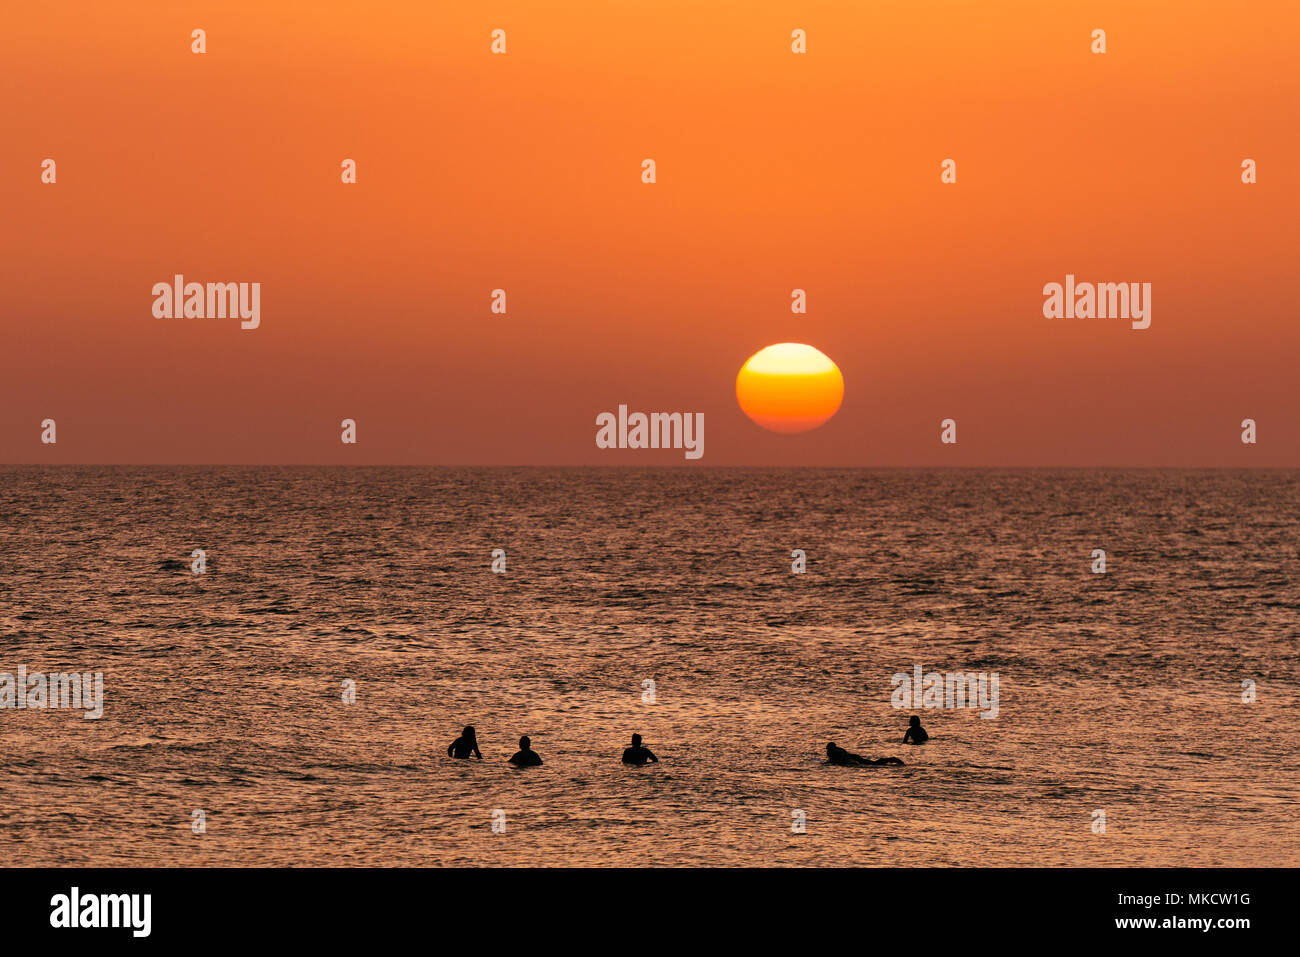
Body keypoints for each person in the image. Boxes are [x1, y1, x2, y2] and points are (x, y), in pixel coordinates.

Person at [825, 742, 903, 767]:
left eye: (828, 749)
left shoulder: (836, 751)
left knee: (873, 764)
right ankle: (890, 759)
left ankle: (891, 759)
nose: (827, 751)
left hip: (854, 758)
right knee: (872, 763)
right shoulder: (838, 749)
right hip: (854, 757)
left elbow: (843, 759)